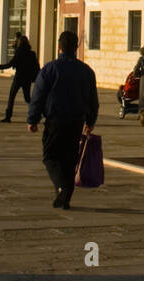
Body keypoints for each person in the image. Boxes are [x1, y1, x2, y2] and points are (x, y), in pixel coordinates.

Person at [27, 29, 98, 210]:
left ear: (59, 47)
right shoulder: (87, 71)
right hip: (77, 121)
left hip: (56, 120)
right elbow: (93, 100)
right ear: (76, 47)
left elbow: (38, 95)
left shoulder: (50, 69)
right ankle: (64, 194)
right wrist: (90, 122)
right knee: (69, 158)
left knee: (50, 156)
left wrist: (32, 119)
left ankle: (62, 188)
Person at [0, 32, 41, 123]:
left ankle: (8, 117)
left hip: (19, 78)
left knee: (12, 97)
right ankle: (38, 113)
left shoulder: (19, 52)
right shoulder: (32, 53)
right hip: (27, 79)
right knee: (28, 98)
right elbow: (36, 66)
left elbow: (10, 64)